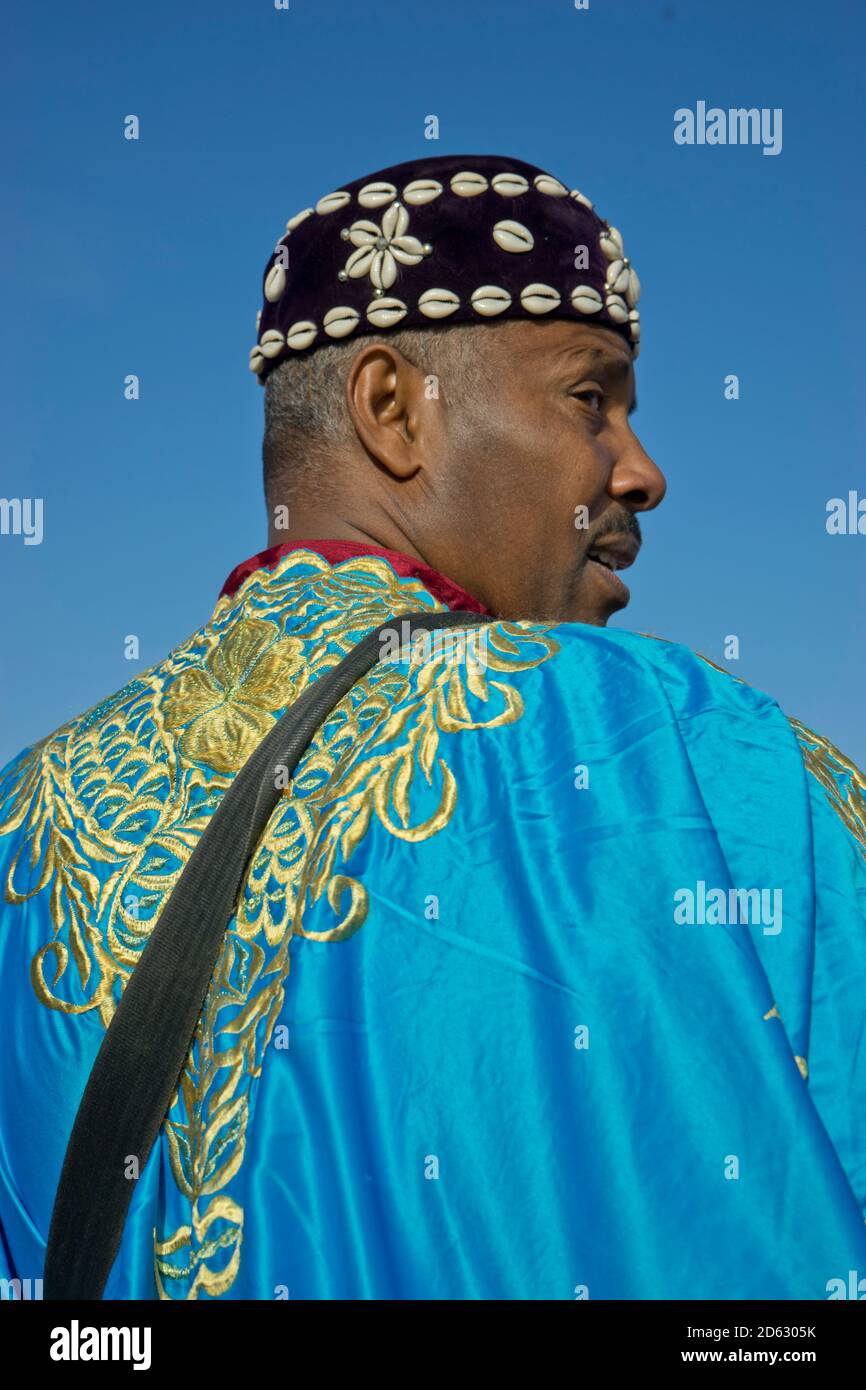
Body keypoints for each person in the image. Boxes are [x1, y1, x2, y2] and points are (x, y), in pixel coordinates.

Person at [1, 153, 864, 1301]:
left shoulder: (25, 815)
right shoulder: (683, 752)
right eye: (587, 399)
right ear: (393, 410)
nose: (643, 472)